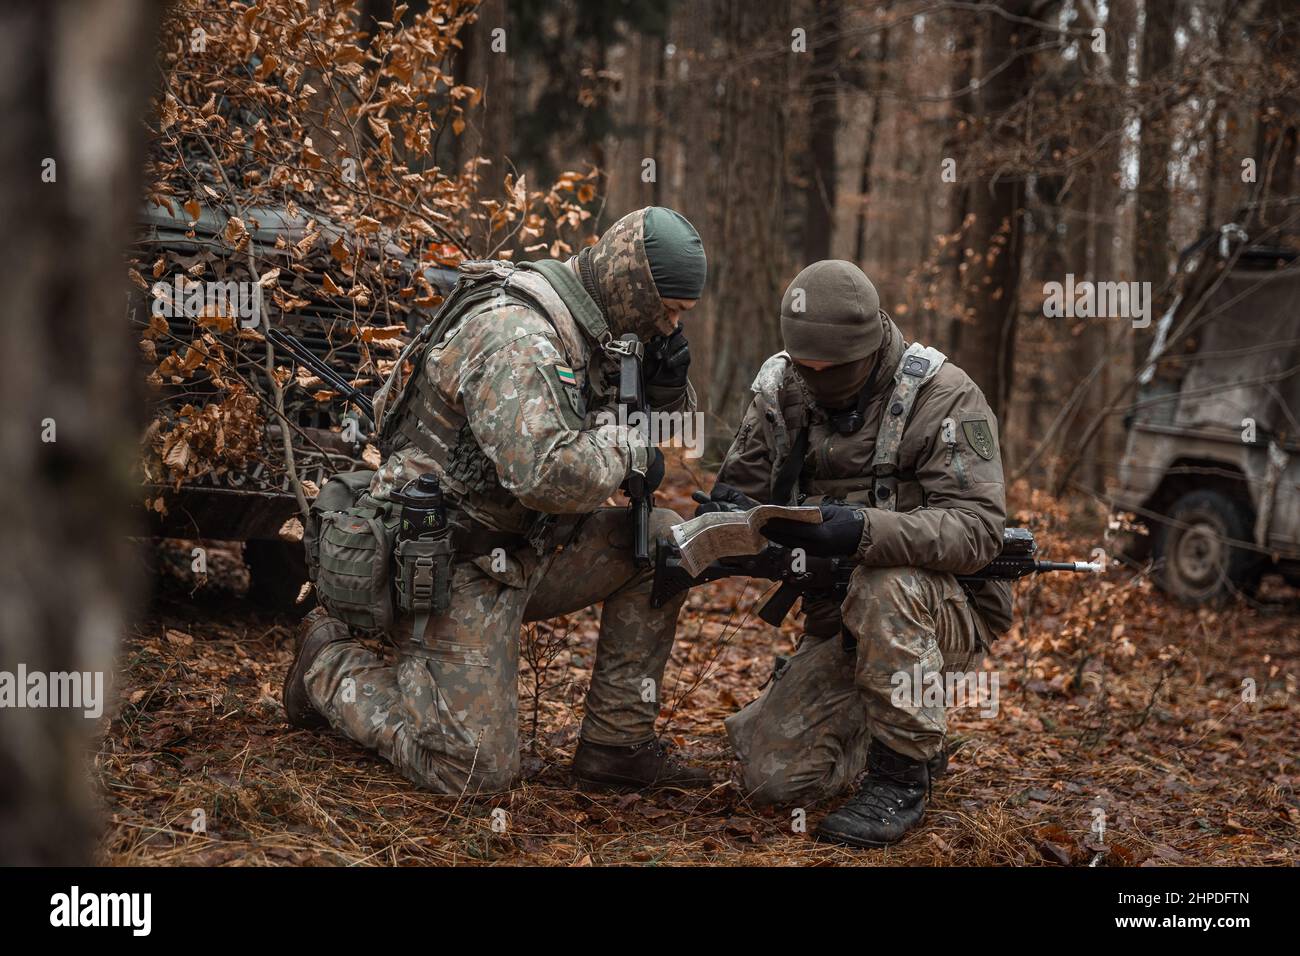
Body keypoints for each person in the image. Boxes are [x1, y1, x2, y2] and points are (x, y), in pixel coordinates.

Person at [282, 207, 712, 794]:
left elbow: (639, 427)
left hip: (525, 552)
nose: (670, 327)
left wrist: (665, 389)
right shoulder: (519, 334)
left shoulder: (599, 329)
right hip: (449, 568)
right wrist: (631, 449)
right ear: (633, 289)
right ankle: (326, 664)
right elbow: (548, 473)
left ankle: (618, 746)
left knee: (666, 543)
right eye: (669, 312)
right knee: (472, 771)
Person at [699, 259, 1011, 847]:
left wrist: (861, 529)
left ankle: (901, 777)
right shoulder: (782, 387)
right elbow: (749, 487)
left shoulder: (942, 395)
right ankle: (879, 723)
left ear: (868, 350)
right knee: (772, 779)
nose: (816, 380)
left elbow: (978, 529)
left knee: (885, 582)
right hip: (836, 616)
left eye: (832, 369)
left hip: (937, 612)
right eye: (805, 366)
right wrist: (727, 513)